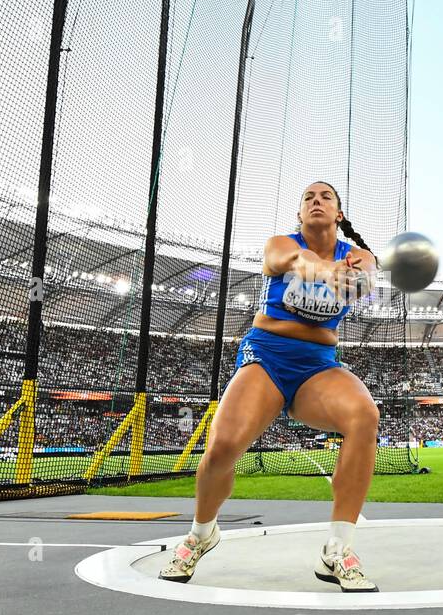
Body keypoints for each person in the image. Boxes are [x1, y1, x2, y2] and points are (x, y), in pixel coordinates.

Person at [160, 181, 381, 592]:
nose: (316, 202)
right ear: (300, 214)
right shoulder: (282, 241)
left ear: (339, 214)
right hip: (267, 355)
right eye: (308, 199)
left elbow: (364, 282)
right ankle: (202, 533)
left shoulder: (358, 256)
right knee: (223, 447)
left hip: (317, 366)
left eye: (325, 198)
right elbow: (286, 259)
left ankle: (337, 548)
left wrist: (345, 274)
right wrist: (321, 268)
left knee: (364, 415)